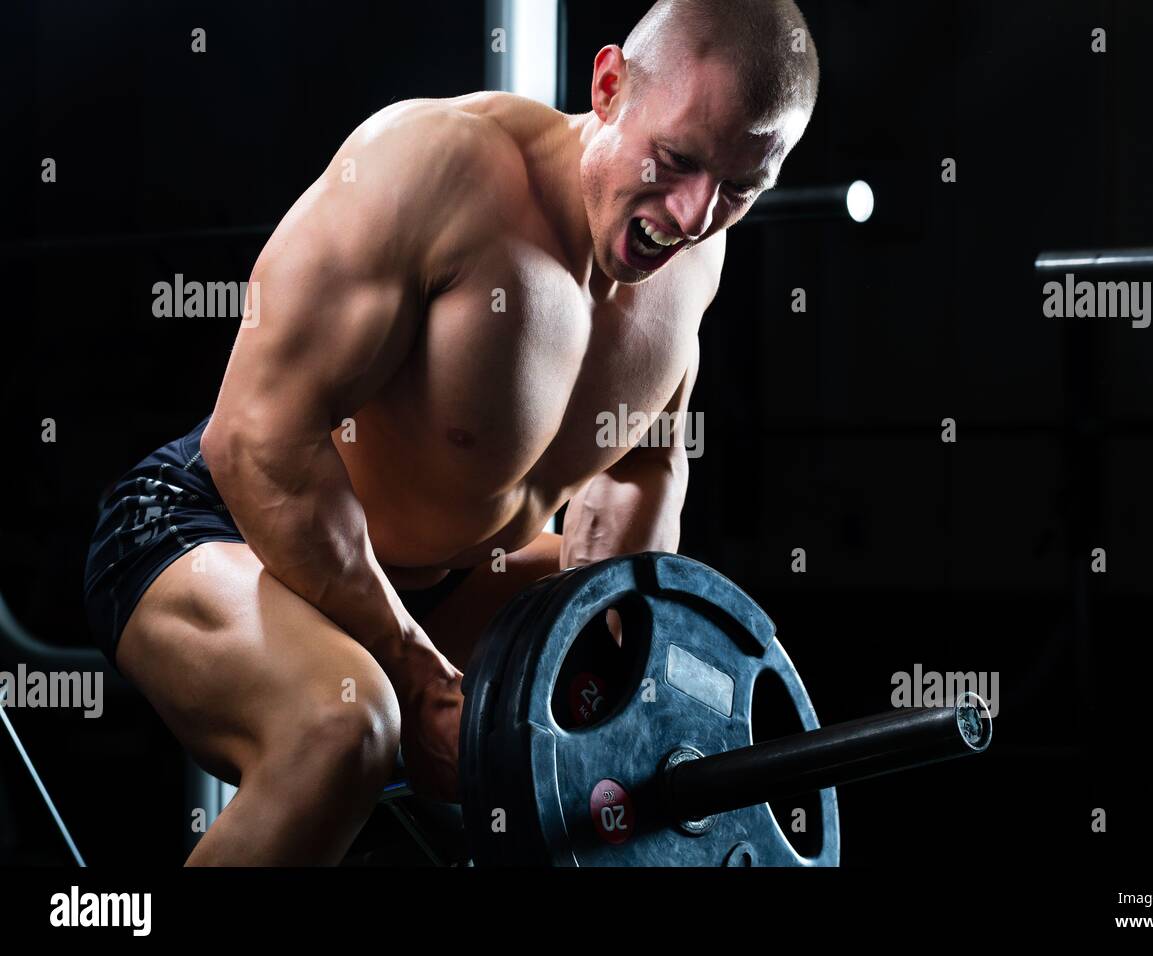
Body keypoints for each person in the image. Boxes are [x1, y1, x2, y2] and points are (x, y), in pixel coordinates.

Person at [84, 0, 819, 864]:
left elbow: (641, 474)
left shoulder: (695, 260)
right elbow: (257, 444)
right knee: (349, 724)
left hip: (450, 574)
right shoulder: (434, 167)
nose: (695, 215)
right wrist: (418, 674)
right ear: (610, 85)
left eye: (740, 188)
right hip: (213, 523)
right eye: (677, 160)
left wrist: (629, 686)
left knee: (674, 699)